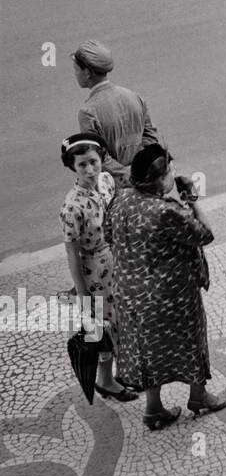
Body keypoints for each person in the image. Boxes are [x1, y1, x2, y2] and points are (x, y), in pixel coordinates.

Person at [108, 145, 226, 430]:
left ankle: (153, 409)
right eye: (170, 170)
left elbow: (107, 233)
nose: (174, 173)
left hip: (130, 295)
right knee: (191, 339)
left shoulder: (121, 199)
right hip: (171, 295)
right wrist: (192, 198)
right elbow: (205, 234)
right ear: (159, 179)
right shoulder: (165, 212)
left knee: (149, 351)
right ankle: (199, 397)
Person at [59, 132, 137, 402]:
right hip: (93, 271)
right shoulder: (72, 206)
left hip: (117, 260)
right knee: (101, 326)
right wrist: (82, 294)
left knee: (121, 321)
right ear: (72, 167)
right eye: (82, 165)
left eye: (93, 161)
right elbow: (72, 252)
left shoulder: (106, 181)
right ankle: (105, 380)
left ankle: (119, 372)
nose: (90, 169)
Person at [72, 41, 161, 188]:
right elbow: (150, 138)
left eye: (76, 70)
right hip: (145, 179)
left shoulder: (87, 112)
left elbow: (98, 156)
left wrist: (125, 174)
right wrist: (140, 169)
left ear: (87, 73)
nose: (75, 74)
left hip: (116, 186)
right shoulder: (134, 96)